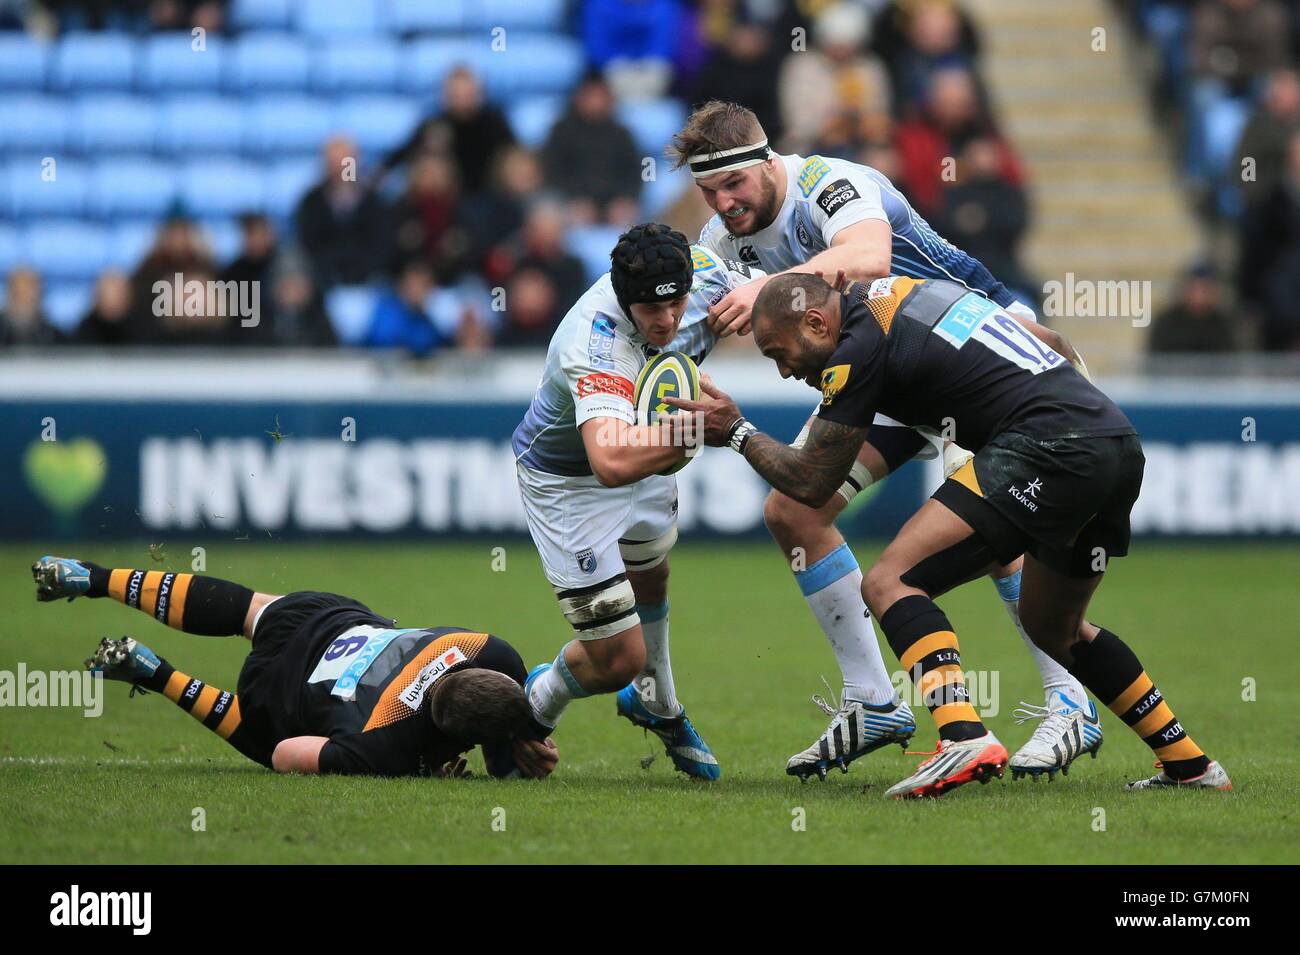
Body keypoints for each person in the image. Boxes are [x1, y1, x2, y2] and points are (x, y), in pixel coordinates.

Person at [668, 273, 1232, 797]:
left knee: (892, 581)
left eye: (778, 354)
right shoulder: (907, 291)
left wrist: (737, 431)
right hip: (1114, 441)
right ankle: (1191, 765)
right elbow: (1047, 338)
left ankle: (963, 737)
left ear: (816, 324)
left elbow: (812, 485)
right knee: (1053, 625)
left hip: (1047, 446)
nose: (785, 372)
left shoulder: (857, 346)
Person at [668, 99, 1097, 783]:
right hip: (894, 381)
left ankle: (1070, 700)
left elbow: (867, 256)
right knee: (793, 510)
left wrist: (770, 285)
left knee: (992, 526)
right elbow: (684, 315)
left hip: (983, 352)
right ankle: (874, 701)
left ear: (766, 160)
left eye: (734, 185)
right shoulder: (725, 243)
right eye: (708, 192)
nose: (722, 203)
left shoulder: (830, 186)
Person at [511, 223, 758, 780]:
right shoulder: (597, 340)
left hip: (647, 441)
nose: (667, 319)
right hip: (571, 482)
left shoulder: (711, 281)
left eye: (676, 303)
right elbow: (612, 462)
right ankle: (531, 708)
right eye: (650, 308)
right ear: (625, 299)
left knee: (652, 575)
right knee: (618, 660)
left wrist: (767, 292)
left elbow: (784, 275)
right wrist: (703, 433)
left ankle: (658, 702)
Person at [32, 556, 558, 780]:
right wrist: (423, 766)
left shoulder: (492, 651)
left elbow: (532, 677)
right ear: (457, 740)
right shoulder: (385, 747)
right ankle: (157, 673)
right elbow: (287, 754)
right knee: (275, 748)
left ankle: (95, 577)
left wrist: (528, 723)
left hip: (325, 620)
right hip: (273, 690)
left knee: (247, 608)